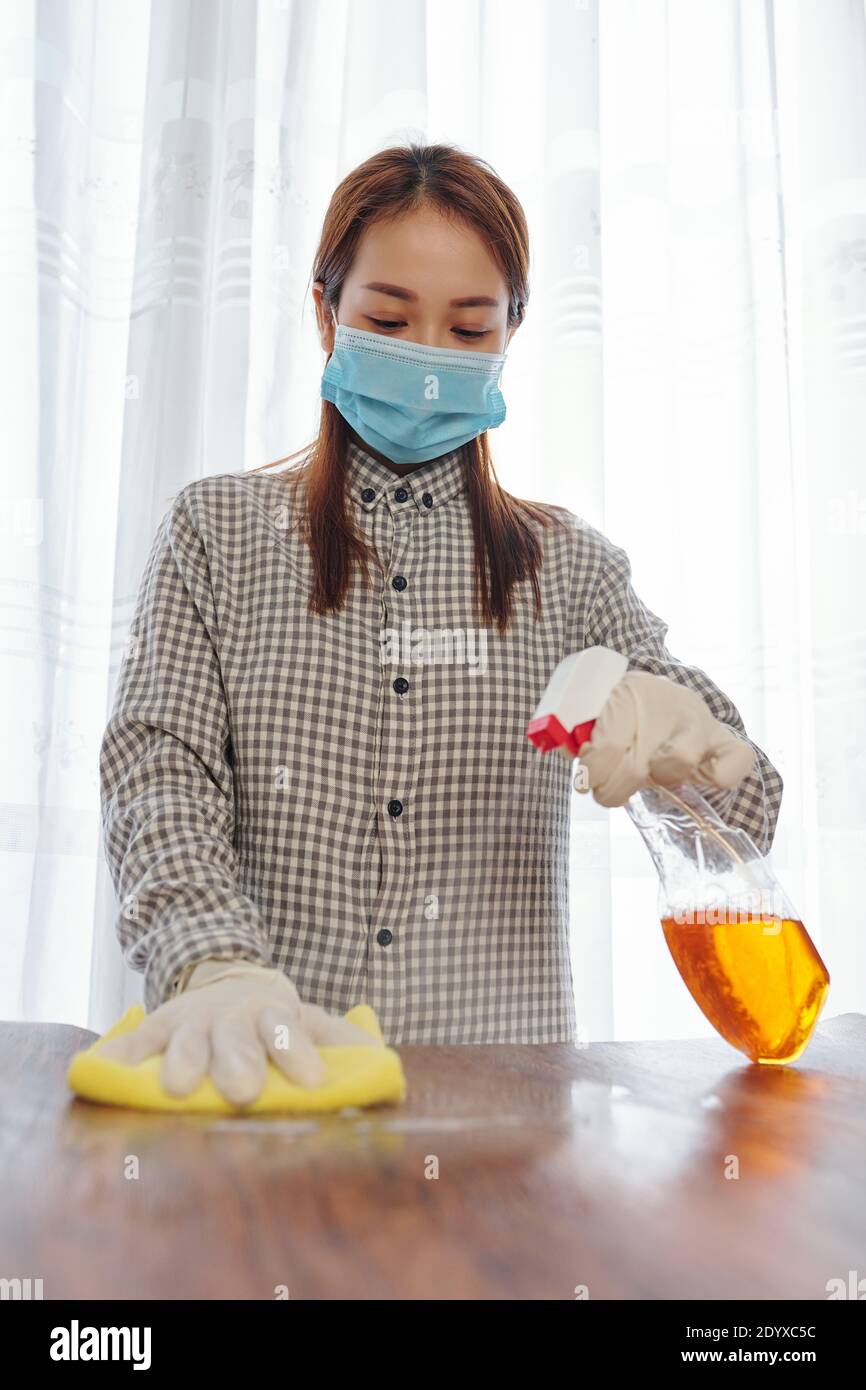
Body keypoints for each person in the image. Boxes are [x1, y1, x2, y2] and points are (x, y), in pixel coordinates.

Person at [99, 143, 783, 1103]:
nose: (426, 362)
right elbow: (157, 772)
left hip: (504, 1120)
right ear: (324, 311)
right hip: (262, 1093)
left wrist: (696, 756)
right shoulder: (215, 533)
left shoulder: (574, 570)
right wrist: (214, 964)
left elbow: (751, 819)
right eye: (387, 318)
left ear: (512, 335)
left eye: (468, 330)